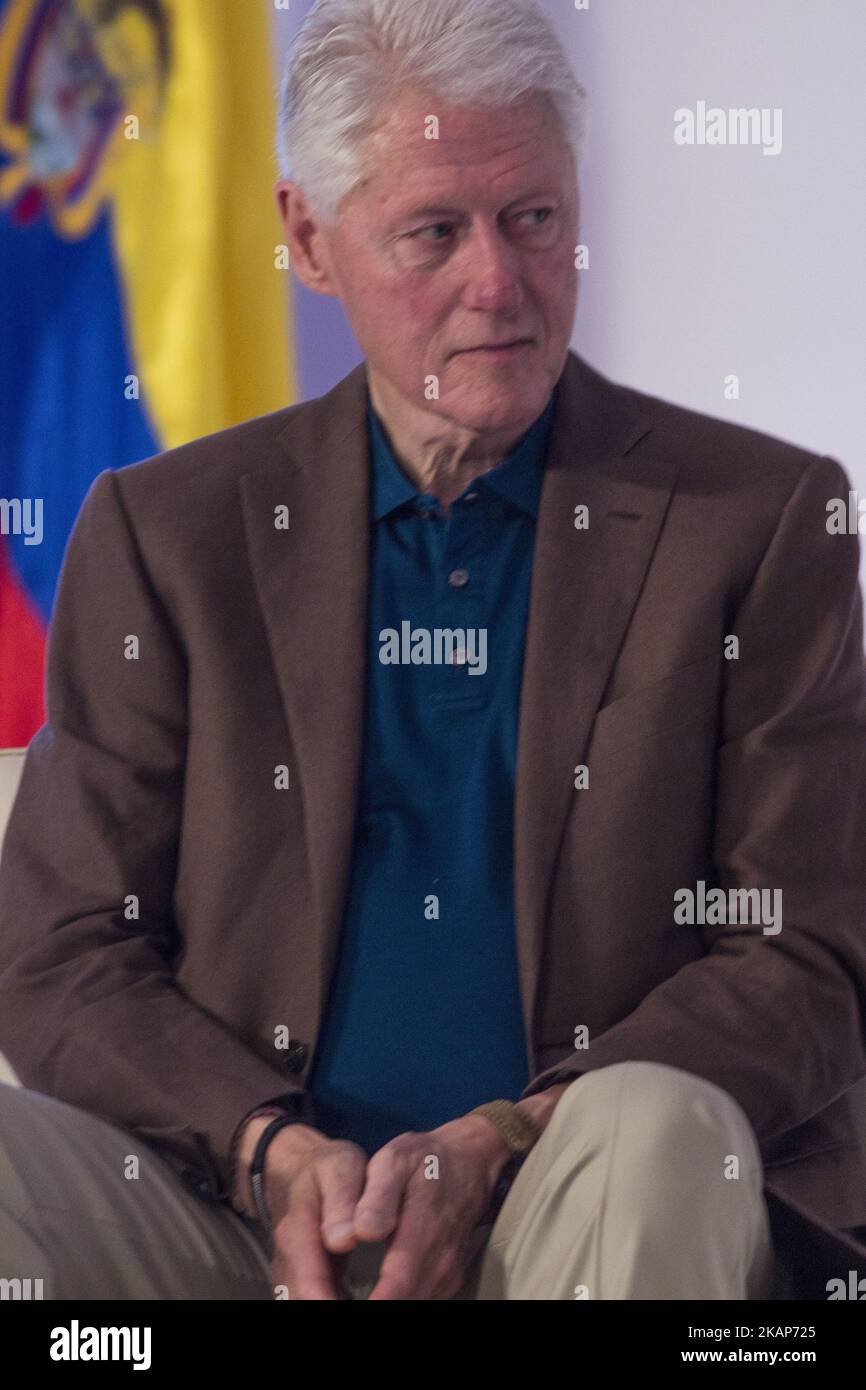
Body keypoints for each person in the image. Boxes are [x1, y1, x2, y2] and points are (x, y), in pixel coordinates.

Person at [1, 0, 865, 1302]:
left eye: (533, 218)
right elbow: (60, 953)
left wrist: (502, 1136)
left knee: (651, 1126)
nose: (497, 282)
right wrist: (269, 1151)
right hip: (238, 1210)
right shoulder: (168, 535)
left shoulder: (755, 521)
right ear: (308, 238)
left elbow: (809, 946)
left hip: (581, 1196)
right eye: (433, 232)